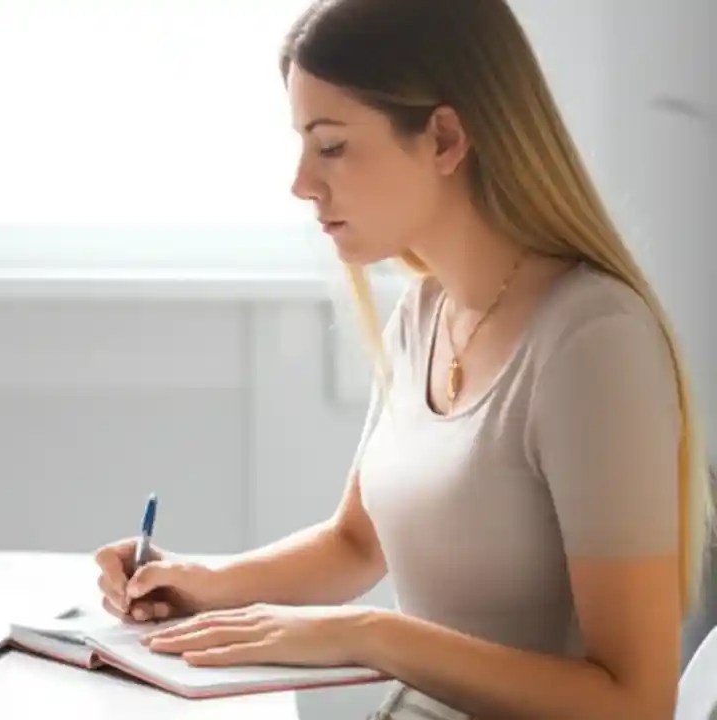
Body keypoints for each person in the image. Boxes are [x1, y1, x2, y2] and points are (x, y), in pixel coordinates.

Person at [93, 0, 713, 717]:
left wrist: (371, 635)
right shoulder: (424, 314)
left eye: (330, 146)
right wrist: (198, 579)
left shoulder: (594, 343)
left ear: (445, 138)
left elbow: (635, 703)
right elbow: (356, 542)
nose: (300, 181)